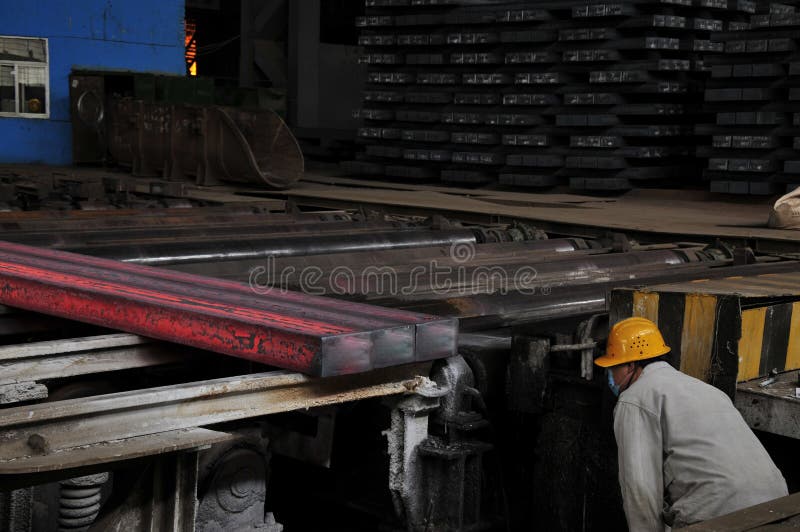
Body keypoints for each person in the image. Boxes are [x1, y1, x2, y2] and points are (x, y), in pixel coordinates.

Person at [595, 317, 788, 531]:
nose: (610, 376)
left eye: (612, 368)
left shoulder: (635, 399)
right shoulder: (706, 390)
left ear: (631, 364)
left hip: (720, 514)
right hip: (778, 505)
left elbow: (640, 491)